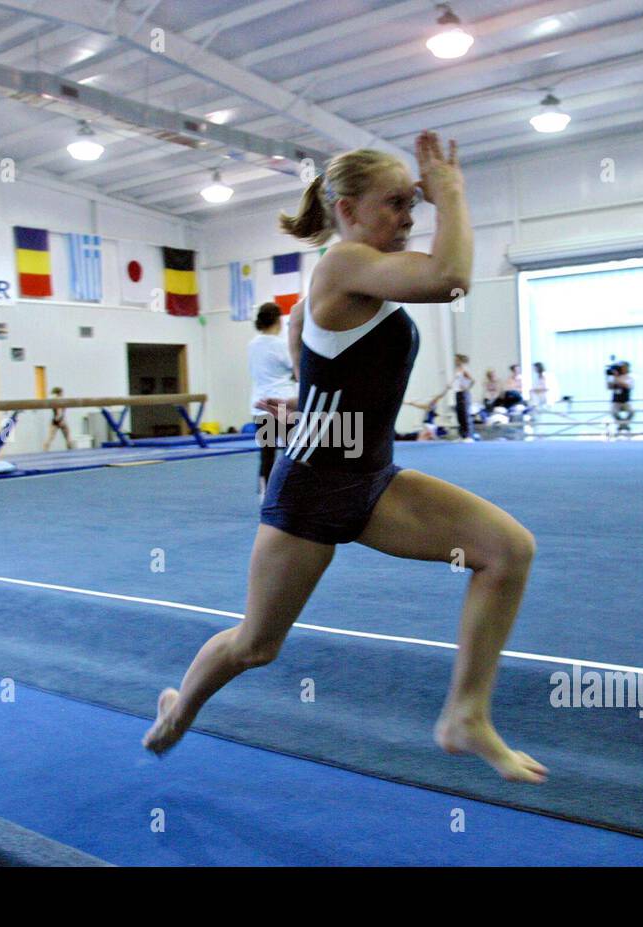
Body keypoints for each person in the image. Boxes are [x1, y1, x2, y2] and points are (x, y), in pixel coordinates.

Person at [144, 132, 547, 784]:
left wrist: (312, 354)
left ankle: (465, 717)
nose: (409, 217)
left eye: (412, 203)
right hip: (309, 489)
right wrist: (451, 195)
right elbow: (450, 278)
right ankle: (178, 708)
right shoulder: (340, 265)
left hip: (371, 478)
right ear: (346, 208)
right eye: (395, 203)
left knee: (508, 550)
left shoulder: (347, 284)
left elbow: (320, 370)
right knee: (256, 645)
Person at [248, 301, 298, 494]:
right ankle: (289, 495)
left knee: (267, 454)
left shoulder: (251, 345)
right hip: (281, 405)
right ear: (278, 320)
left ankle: (265, 495)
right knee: (290, 452)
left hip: (260, 406)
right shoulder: (280, 345)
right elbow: (296, 370)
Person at [451, 354, 474, 441]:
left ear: (460, 360)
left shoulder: (464, 369)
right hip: (458, 393)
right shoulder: (458, 370)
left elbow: (472, 380)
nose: (455, 361)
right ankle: (462, 435)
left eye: (456, 360)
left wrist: (466, 388)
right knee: (459, 414)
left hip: (464, 393)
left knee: (465, 414)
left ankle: (468, 436)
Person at [608, 361, 634, 436]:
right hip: (616, 402)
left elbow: (627, 385)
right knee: (613, 412)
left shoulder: (629, 377)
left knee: (632, 412)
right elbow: (609, 387)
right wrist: (609, 378)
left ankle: (623, 425)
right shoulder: (614, 378)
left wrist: (616, 378)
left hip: (625, 402)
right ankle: (622, 426)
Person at [43, 387, 73, 451]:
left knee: (50, 437)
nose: (63, 393)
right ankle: (70, 450)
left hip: (55, 420)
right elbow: (59, 412)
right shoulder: (60, 400)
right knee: (68, 437)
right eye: (62, 392)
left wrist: (58, 418)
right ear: (59, 393)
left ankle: (45, 449)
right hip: (60, 419)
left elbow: (58, 411)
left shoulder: (53, 400)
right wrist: (60, 419)